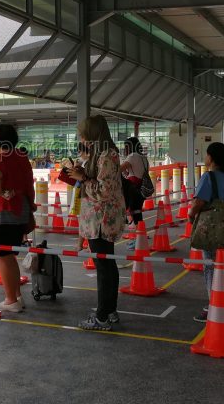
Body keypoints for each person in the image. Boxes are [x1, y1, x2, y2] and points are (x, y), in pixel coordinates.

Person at [68, 116, 126, 331]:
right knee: (107, 265)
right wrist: (81, 174)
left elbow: (103, 191)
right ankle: (109, 310)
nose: (82, 138)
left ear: (94, 133)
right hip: (98, 219)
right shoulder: (100, 154)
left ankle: (102, 317)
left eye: (84, 134)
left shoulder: (106, 156)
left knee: (104, 268)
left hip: (101, 220)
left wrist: (83, 179)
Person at [0, 124, 35, 313]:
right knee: (10, 256)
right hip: (20, 210)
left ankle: (11, 300)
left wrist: (0, 191)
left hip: (3, 211)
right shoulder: (21, 157)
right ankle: (17, 296)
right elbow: (28, 185)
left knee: (4, 257)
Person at [187, 142, 224, 323]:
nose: (205, 158)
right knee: (221, 267)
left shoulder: (208, 177)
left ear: (211, 157)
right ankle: (222, 302)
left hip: (213, 229)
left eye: (207, 154)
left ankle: (213, 306)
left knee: (210, 268)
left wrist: (190, 215)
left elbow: (199, 202)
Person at [120, 137, 147, 229]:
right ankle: (140, 234)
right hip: (142, 188)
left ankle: (138, 234)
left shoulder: (132, 156)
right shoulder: (143, 157)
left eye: (125, 147)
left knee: (134, 212)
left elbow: (119, 170)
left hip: (133, 189)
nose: (124, 149)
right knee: (137, 212)